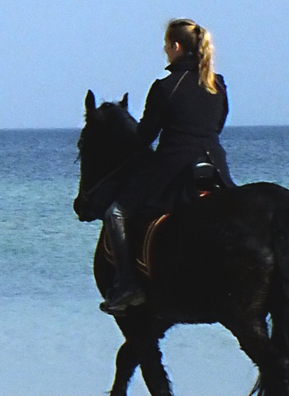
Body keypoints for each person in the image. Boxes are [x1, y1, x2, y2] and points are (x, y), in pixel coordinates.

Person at [100, 18, 235, 314]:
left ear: (176, 47)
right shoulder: (218, 84)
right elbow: (218, 125)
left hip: (175, 167)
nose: (165, 51)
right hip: (214, 166)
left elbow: (145, 137)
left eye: (166, 46)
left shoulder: (165, 86)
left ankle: (127, 286)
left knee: (115, 212)